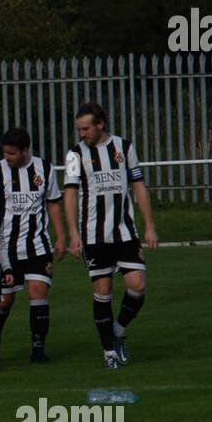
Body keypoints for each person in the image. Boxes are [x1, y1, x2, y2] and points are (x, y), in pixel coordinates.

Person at [63, 102, 159, 369]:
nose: (82, 134)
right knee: (102, 291)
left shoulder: (124, 147)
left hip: (125, 231)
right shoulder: (74, 155)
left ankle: (118, 330)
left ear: (100, 124)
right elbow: (70, 195)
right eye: (79, 129)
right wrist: (73, 233)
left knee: (137, 285)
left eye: (86, 128)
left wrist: (149, 225)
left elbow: (138, 186)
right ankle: (108, 352)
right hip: (93, 236)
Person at [0, 127, 66, 364]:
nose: (7, 157)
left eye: (12, 153)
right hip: (5, 248)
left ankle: (38, 349)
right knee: (4, 301)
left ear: (24, 151)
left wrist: (60, 235)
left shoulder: (45, 169)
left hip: (37, 245)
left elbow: (52, 203)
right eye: (5, 153)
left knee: (38, 292)